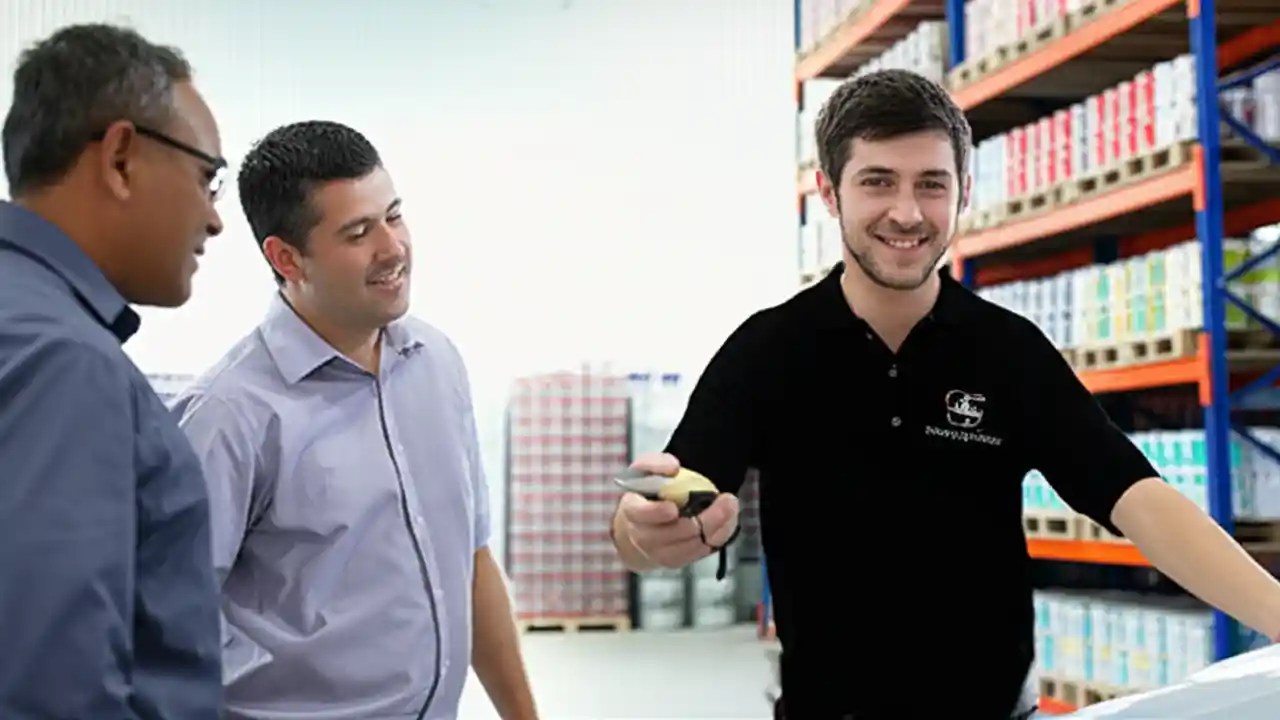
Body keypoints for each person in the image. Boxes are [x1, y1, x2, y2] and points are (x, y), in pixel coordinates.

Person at [610, 68, 1280, 719]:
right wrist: (647, 536)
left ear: (962, 195)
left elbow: (1134, 495)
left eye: (931, 185)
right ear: (830, 193)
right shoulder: (767, 351)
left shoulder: (1007, 351)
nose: (907, 213)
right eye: (878, 182)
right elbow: (659, 512)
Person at [170, 120, 538, 720]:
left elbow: (470, 561)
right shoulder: (230, 415)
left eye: (393, 215)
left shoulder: (436, 365)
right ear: (287, 258)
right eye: (358, 232)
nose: (392, 248)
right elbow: (168, 623)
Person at [0, 23, 227, 719]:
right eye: (207, 179)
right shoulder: (65, 363)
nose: (215, 221)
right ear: (122, 157)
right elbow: (53, 689)